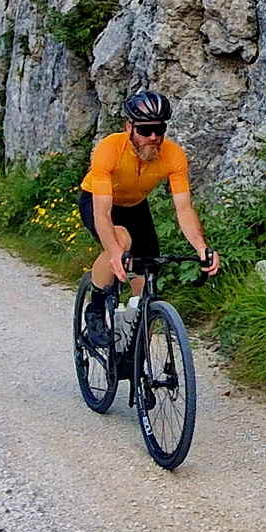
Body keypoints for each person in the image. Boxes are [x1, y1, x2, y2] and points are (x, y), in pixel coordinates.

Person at [79, 89, 219, 353]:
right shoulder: (109, 149)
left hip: (136, 207)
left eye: (159, 129)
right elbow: (102, 214)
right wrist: (115, 253)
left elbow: (184, 209)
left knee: (145, 279)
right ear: (129, 127)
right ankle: (95, 308)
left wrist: (202, 248)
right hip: (98, 201)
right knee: (120, 241)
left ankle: (132, 352)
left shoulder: (173, 155)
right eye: (145, 130)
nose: (153, 137)